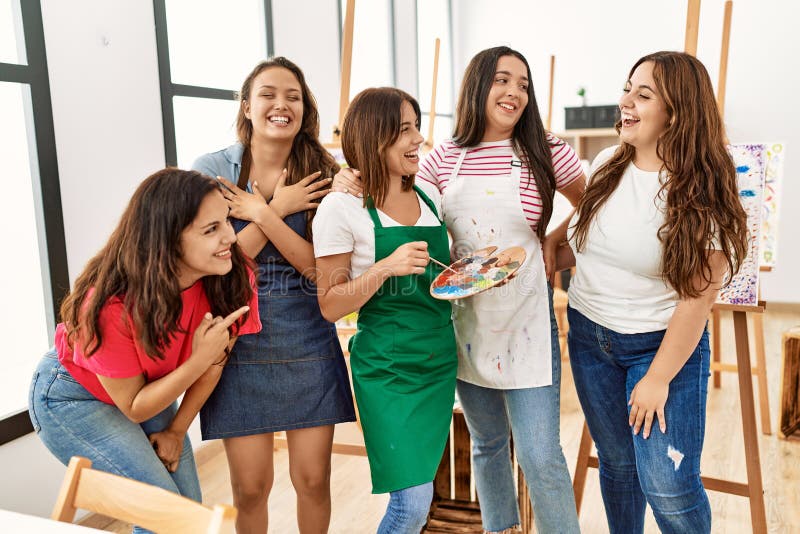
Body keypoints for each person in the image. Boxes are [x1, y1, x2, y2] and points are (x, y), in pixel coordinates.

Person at [333, 46, 584, 534]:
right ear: (477, 86)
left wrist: (555, 239)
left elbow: (596, 205)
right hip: (467, 325)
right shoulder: (443, 158)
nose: (514, 92)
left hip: (528, 323)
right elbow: (402, 200)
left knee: (540, 454)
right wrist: (348, 178)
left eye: (524, 84)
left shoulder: (549, 151)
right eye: (502, 80)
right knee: (487, 446)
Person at [550, 51, 748, 534]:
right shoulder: (605, 164)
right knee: (618, 468)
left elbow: (697, 299)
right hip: (591, 339)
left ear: (676, 112)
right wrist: (520, 261)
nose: (625, 102)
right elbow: (579, 246)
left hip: (659, 349)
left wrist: (657, 378)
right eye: (627, 88)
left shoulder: (704, 190)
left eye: (643, 94)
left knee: (668, 484)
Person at [28, 168, 260, 534]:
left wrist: (175, 430)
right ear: (167, 240)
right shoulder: (109, 305)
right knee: (165, 516)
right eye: (210, 229)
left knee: (188, 514)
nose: (230, 236)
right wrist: (199, 358)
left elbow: (215, 361)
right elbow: (135, 405)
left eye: (227, 221)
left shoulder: (230, 273)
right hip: (73, 396)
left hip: (147, 387)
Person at [191, 57, 356, 534]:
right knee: (249, 488)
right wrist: (282, 206)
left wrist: (264, 214)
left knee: (313, 481)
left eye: (293, 96)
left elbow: (317, 271)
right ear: (246, 106)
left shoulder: (326, 174)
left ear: (305, 110)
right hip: (237, 336)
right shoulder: (211, 172)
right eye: (267, 94)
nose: (280, 105)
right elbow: (218, 268)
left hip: (308, 337)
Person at [313, 87, 458, 533]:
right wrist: (385, 268)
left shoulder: (431, 194)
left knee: (423, 493)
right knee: (411, 502)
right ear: (374, 138)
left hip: (438, 360)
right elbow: (330, 305)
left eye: (417, 126)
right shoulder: (341, 207)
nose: (418, 138)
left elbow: (442, 274)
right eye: (404, 130)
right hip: (389, 369)